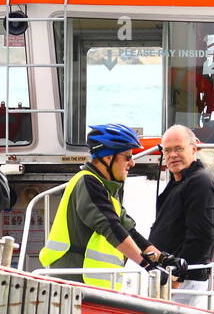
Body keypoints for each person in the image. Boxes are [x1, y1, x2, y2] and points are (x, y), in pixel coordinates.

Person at [40, 123, 160, 288]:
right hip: (74, 284)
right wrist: (146, 265)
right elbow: (110, 227)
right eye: (127, 156)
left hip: (94, 285)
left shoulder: (106, 188)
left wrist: (162, 259)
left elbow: (129, 231)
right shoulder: (87, 182)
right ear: (108, 158)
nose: (132, 163)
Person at [148, 124, 214, 307]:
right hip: (169, 275)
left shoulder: (200, 183)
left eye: (179, 148)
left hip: (184, 280)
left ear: (194, 149)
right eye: (167, 150)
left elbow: (201, 236)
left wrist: (178, 275)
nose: (173, 155)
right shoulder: (179, 181)